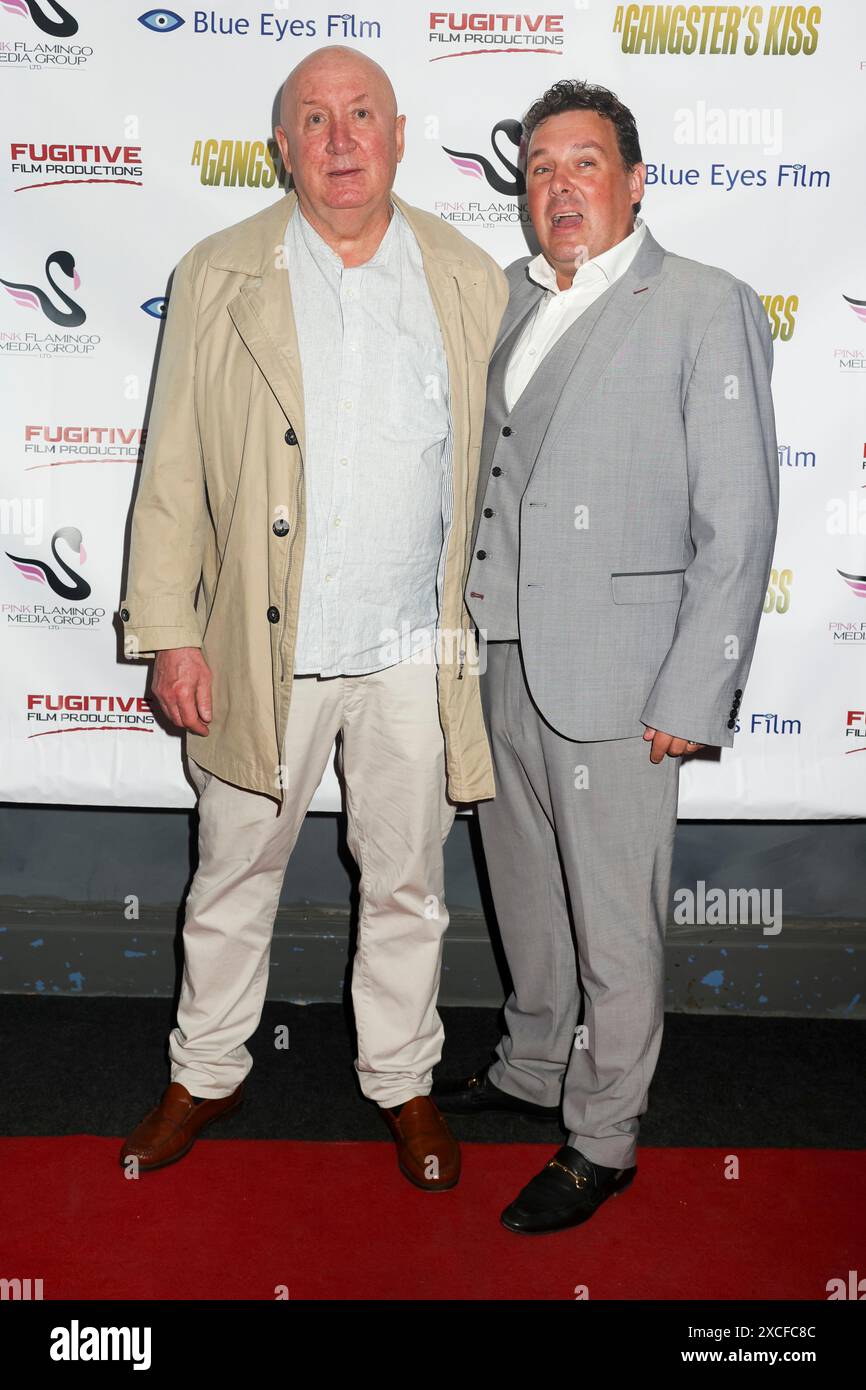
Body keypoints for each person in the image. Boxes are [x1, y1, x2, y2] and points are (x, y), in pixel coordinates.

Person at [118, 44, 508, 1190]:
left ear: (397, 132)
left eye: (360, 116)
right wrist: (173, 630)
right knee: (232, 872)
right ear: (278, 146)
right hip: (255, 644)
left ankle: (401, 1079)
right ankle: (207, 1069)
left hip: (410, 654)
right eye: (312, 120)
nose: (339, 140)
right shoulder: (217, 272)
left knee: (407, 884)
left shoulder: (465, 276)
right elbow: (172, 466)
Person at [433, 79, 779, 1233]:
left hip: (627, 682)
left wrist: (694, 687)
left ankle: (602, 1137)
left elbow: (738, 518)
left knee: (613, 923)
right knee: (524, 896)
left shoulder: (699, 302)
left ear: (633, 182)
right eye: (537, 168)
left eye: (583, 163)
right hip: (503, 660)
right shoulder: (507, 305)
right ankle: (532, 1065)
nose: (558, 186)